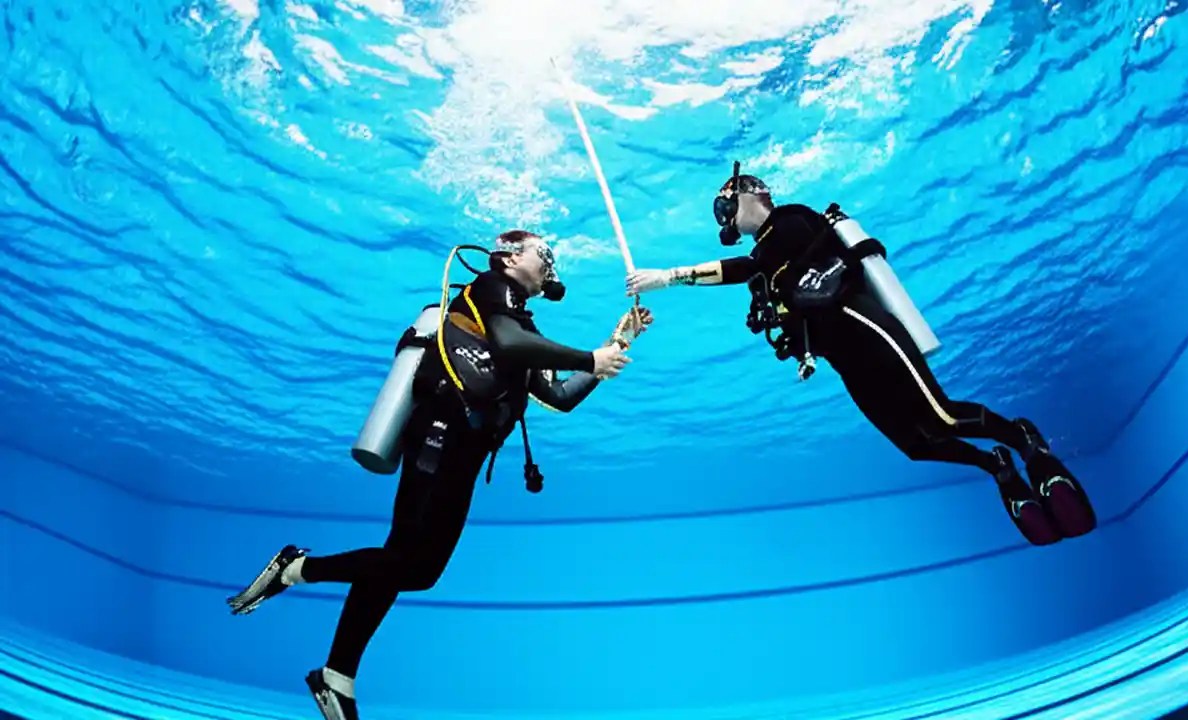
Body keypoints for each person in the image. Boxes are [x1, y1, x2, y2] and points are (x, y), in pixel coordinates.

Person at [226, 230, 653, 720]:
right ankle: (298, 573)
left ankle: (336, 674)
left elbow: (559, 397)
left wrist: (616, 344)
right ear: (509, 257)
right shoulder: (492, 288)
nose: (551, 263)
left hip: (462, 453)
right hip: (441, 435)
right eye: (543, 253)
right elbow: (510, 343)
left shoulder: (520, 322)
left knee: (408, 566)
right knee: (410, 565)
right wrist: (588, 358)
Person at [625, 167, 1095, 547]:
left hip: (864, 325)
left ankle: (1023, 439)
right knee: (915, 444)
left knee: (942, 415)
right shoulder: (766, 262)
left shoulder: (790, 220)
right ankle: (995, 466)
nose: (724, 218)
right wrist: (671, 279)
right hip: (844, 357)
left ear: (751, 192)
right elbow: (755, 274)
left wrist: (669, 276)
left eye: (725, 205)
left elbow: (753, 264)